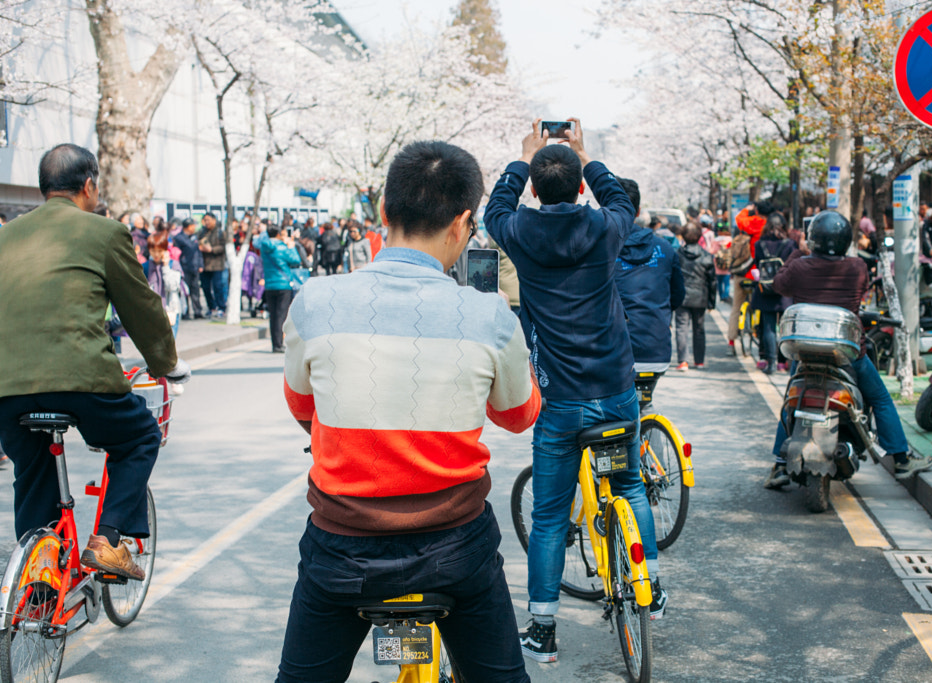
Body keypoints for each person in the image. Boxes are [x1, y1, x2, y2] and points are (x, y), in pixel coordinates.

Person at [276, 140, 539, 683]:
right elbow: (518, 415)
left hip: (341, 552)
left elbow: (302, 403)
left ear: (382, 212)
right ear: (465, 223)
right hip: (456, 549)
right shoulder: (487, 313)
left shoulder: (316, 301)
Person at [484, 118, 666, 664]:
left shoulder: (518, 230)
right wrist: (584, 154)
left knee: (548, 517)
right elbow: (618, 197)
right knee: (631, 487)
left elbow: (495, 207)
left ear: (535, 189)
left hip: (560, 399)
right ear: (581, 184)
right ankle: (650, 589)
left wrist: (524, 157)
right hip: (614, 387)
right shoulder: (607, 228)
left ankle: (542, 630)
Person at [0, 144, 190, 580]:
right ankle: (106, 541)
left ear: (42, 188)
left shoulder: (5, 235)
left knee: (32, 468)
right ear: (89, 186)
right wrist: (166, 362)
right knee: (139, 435)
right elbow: (140, 308)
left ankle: (40, 580)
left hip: (7, 387)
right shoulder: (103, 233)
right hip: (80, 379)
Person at [764, 211, 932, 488]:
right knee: (880, 399)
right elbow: (862, 290)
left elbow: (779, 285)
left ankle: (780, 464)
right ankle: (901, 459)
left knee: (791, 402)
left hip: (805, 354)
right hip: (848, 355)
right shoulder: (857, 267)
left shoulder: (799, 266)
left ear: (813, 239)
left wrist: (797, 254)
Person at [613, 177, 685, 377]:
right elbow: (677, 296)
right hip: (657, 351)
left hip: (613, 354)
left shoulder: (601, 248)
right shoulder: (665, 248)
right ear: (638, 211)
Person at [751, 213, 797, 374]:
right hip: (785, 291)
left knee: (769, 328)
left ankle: (770, 362)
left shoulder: (759, 244)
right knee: (786, 328)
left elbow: (757, 264)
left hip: (766, 289)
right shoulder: (790, 244)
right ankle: (783, 362)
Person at [727, 202, 769, 355]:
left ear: (756, 210)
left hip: (742, 272)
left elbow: (738, 218)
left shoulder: (749, 223)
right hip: (759, 274)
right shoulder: (768, 226)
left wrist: (747, 209)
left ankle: (731, 342)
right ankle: (758, 334)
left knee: (736, 308)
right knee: (759, 306)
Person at [676, 224, 716, 370]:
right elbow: (712, 282)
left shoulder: (678, 254)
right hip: (700, 297)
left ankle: (683, 361)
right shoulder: (706, 256)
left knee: (681, 328)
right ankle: (699, 361)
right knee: (699, 329)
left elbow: (672, 277)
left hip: (682, 297)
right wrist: (712, 302)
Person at [145, 230, 186, 338]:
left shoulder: (174, 265)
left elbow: (172, 286)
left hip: (170, 311)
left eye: (160, 250)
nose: (156, 254)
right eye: (153, 250)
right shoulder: (145, 267)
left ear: (165, 249)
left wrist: (166, 267)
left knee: (169, 347)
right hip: (152, 313)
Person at [198, 213, 228, 316]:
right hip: (205, 265)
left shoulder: (220, 233)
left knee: (217, 287)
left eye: (209, 220)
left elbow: (224, 247)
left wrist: (212, 250)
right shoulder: (202, 232)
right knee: (205, 287)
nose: (207, 222)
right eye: (205, 220)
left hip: (217, 265)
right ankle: (212, 307)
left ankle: (221, 307)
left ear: (214, 220)